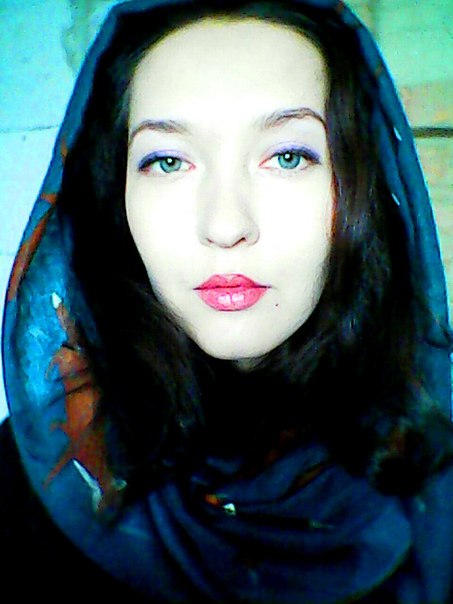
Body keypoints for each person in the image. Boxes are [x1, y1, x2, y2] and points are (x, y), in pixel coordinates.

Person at [1, 0, 453, 601]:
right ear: (115, 197)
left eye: (288, 156)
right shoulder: (30, 480)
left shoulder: (434, 457)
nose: (225, 224)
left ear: (360, 185)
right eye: (167, 161)